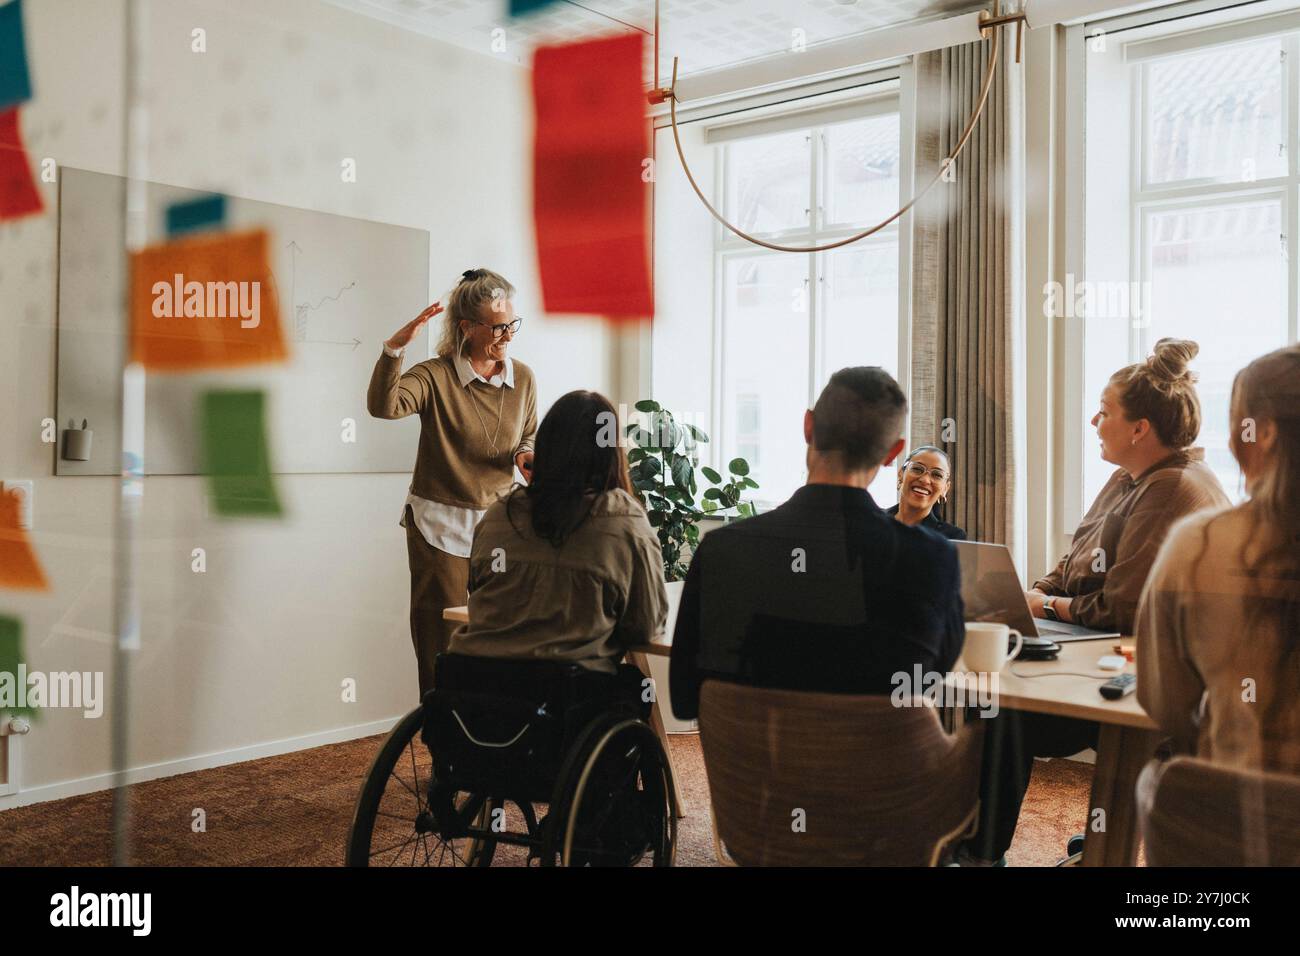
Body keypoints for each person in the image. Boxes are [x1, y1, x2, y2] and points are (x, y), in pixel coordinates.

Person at [961, 337, 1230, 865]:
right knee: (984, 692)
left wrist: (1049, 610)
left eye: (1104, 412)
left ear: (1140, 429)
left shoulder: (1173, 488)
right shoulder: (1127, 479)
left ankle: (979, 852)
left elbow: (1124, 610)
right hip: (1108, 651)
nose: (1093, 421)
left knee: (1000, 705)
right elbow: (1073, 561)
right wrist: (1032, 594)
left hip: (1161, 689)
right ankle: (971, 842)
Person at [669, 367, 964, 721]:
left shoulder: (721, 548)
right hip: (880, 771)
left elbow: (685, 698)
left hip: (751, 770)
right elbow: (935, 677)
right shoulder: (933, 558)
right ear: (892, 455)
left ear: (808, 426)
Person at [367, 268, 538, 697]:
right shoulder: (435, 376)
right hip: (439, 523)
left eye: (512, 325)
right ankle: (444, 737)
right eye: (499, 328)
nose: (509, 336)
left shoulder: (524, 379)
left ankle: (491, 735)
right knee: (441, 638)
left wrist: (525, 454)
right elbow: (384, 407)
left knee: (499, 631)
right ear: (468, 328)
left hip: (500, 524)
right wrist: (393, 350)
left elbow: (529, 432)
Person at [1138, 345, 1300, 774]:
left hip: (1238, 820)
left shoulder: (1198, 546)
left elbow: (1164, 701)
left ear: (1262, 434)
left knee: (1157, 787)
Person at [449, 390, 669, 674]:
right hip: (567, 698)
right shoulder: (624, 520)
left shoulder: (498, 515)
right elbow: (646, 625)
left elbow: (478, 594)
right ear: (612, 451)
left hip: (471, 689)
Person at [885, 445, 967, 540]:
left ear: (945, 488)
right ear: (901, 474)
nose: (925, 480)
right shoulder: (872, 520)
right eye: (917, 469)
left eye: (937, 475)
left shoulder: (952, 537)